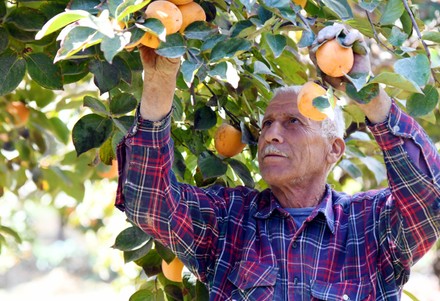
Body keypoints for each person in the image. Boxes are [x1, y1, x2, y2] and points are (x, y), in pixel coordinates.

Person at [114, 24, 440, 300]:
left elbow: (429, 200)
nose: (271, 134)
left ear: (334, 149)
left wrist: (368, 92)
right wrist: (159, 83)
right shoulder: (230, 221)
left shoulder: (370, 226)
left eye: (293, 122)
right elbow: (149, 202)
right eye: (267, 123)